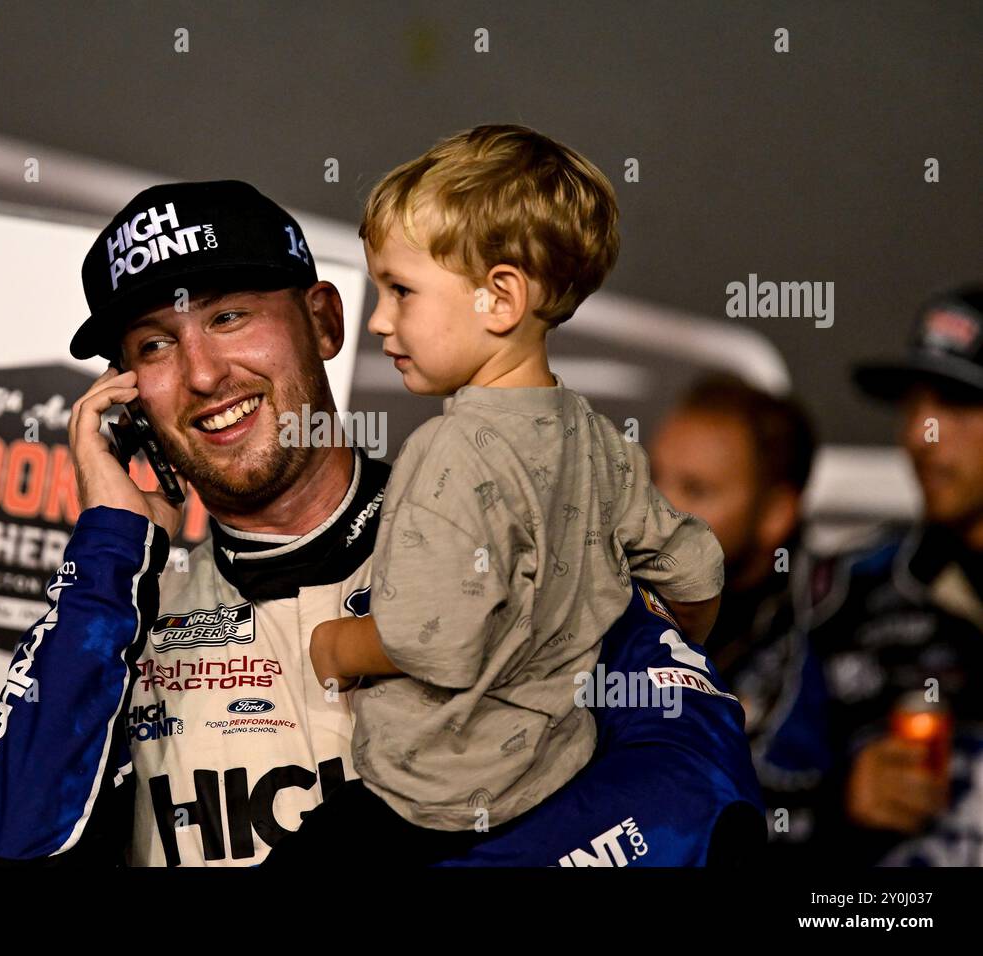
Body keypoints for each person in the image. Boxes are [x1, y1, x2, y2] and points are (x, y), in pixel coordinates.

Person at [0, 178, 762, 867]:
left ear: (325, 321)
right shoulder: (119, 618)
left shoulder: (523, 533)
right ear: (125, 396)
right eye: (154, 345)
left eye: (229, 317)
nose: (202, 373)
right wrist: (110, 552)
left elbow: (695, 790)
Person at [264, 126, 724, 865]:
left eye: (400, 291)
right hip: (554, 784)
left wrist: (333, 642)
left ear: (500, 298)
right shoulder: (598, 438)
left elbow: (435, 642)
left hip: (428, 805)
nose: (379, 319)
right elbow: (695, 568)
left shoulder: (447, 453)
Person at [809, 285, 983, 865]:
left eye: (955, 404)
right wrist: (842, 805)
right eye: (912, 407)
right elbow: (737, 800)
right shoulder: (843, 592)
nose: (918, 437)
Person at [650, 374, 830, 861]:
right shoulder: (604, 610)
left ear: (774, 512)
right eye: (653, 478)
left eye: (696, 489)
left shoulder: (837, 632)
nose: (656, 512)